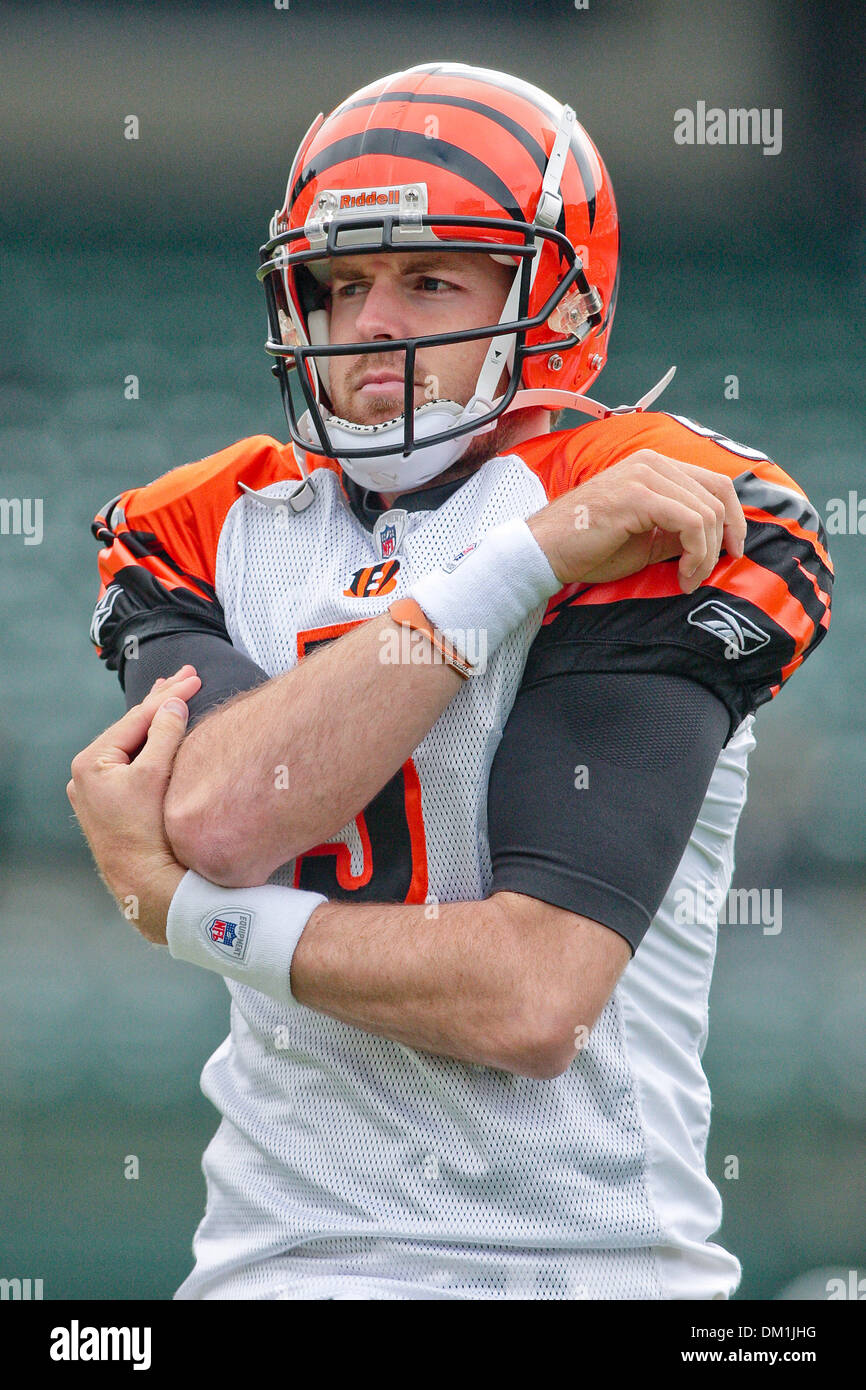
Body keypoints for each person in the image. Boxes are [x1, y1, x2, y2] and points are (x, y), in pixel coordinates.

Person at [69, 63, 832, 1300]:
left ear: (551, 293)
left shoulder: (660, 502)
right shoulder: (208, 521)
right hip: (268, 1266)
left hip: (567, 1271)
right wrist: (519, 565)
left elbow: (532, 997)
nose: (371, 321)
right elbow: (225, 815)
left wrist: (194, 916)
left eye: (428, 277)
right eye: (340, 282)